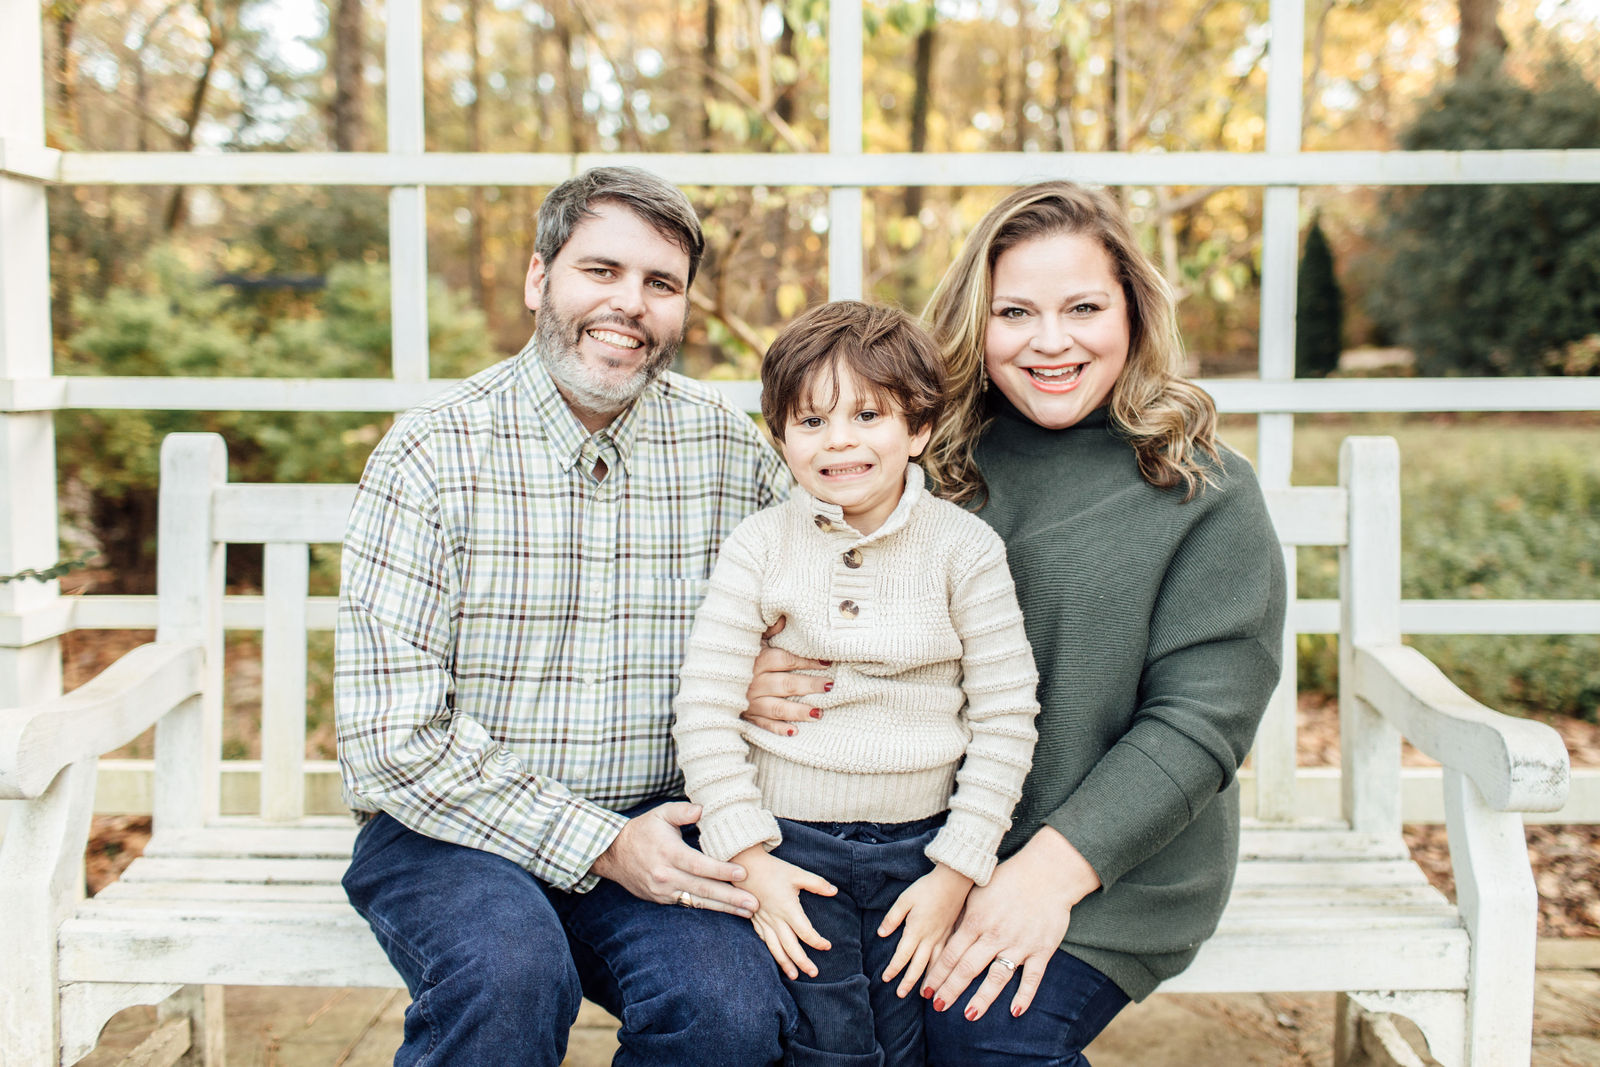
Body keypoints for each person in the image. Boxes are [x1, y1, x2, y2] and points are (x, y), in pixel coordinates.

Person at [744, 182, 1288, 1065]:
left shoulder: (1202, 487)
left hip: (1110, 860)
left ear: (1133, 312)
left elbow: (1201, 721)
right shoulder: (914, 458)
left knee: (979, 1032)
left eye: (1084, 308)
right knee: (822, 1026)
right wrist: (760, 673)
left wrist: (1045, 874)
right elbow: (794, 589)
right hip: (914, 842)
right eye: (1016, 312)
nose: (1051, 340)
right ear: (977, 321)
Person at [334, 166, 797, 1066]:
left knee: (731, 1009)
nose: (631, 304)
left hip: (659, 821)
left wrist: (761, 675)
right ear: (538, 278)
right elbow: (391, 743)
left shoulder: (730, 452)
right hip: (446, 829)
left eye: (661, 283)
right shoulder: (430, 454)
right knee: (509, 975)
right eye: (602, 270)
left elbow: (824, 596)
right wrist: (602, 842)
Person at [672, 300, 1041, 1066]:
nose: (839, 439)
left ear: (919, 427)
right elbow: (704, 708)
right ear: (781, 436)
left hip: (922, 847)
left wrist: (957, 867)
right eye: (811, 421)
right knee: (829, 1043)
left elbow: (1007, 718)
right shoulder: (760, 547)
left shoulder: (965, 550)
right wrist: (749, 853)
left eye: (868, 415)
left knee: (906, 1041)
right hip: (791, 842)